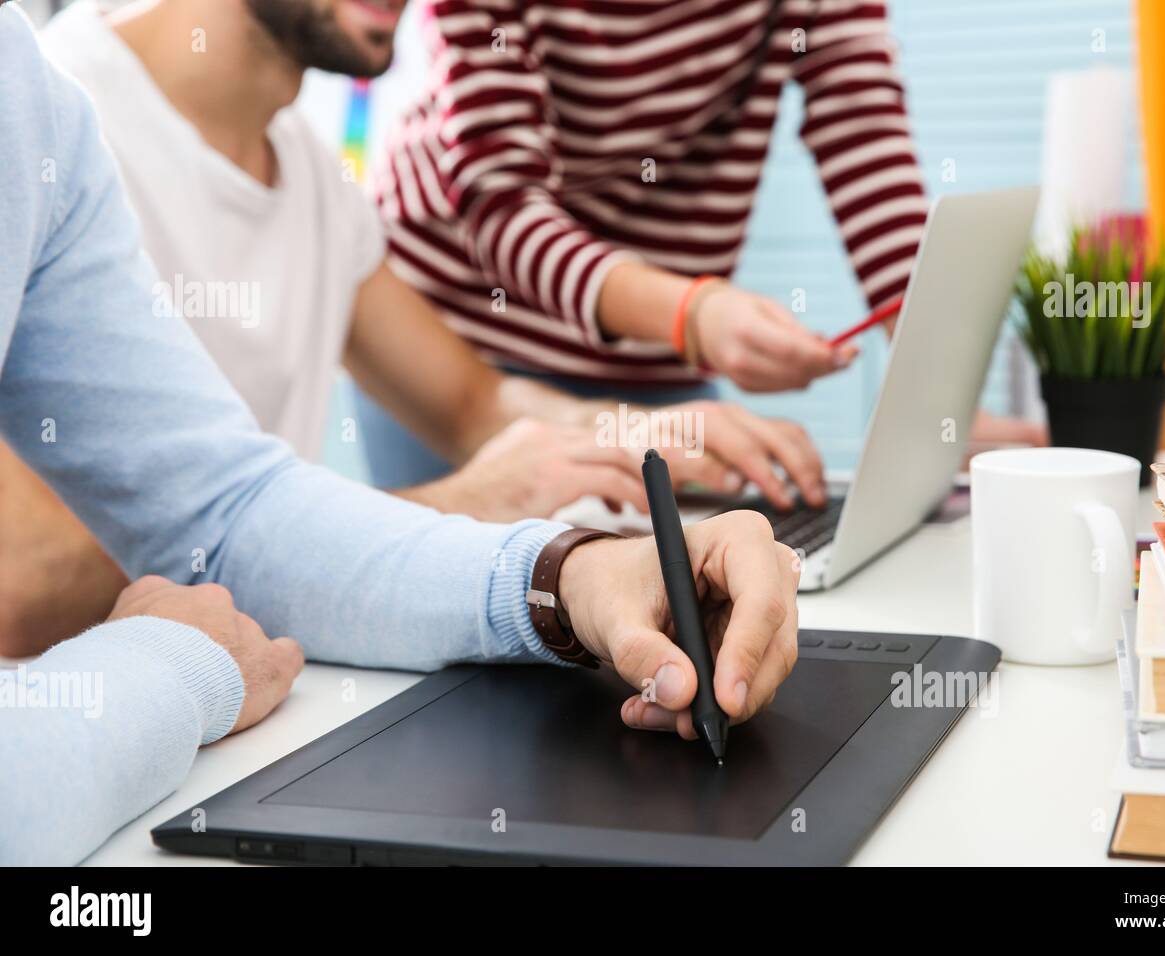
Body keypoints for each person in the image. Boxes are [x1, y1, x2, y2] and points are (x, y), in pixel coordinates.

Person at [0, 2, 798, 865]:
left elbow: (223, 512)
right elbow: (24, 583)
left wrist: (574, 576)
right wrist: (170, 671)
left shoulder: (48, 107)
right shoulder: (82, 92)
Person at [356, 0, 1043, 488]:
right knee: (485, 630)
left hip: (663, 346)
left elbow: (861, 127)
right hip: (461, 337)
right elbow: (502, 206)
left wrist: (943, 412)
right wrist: (693, 315)